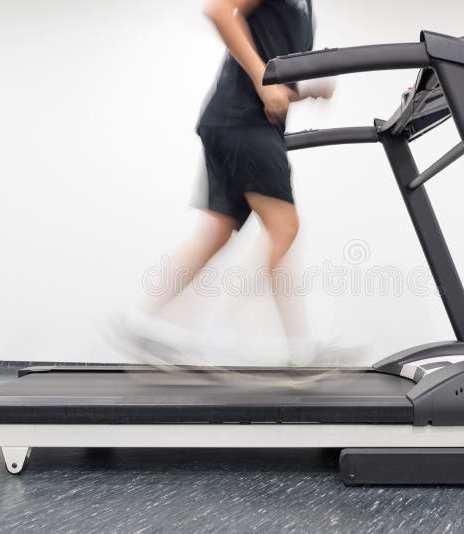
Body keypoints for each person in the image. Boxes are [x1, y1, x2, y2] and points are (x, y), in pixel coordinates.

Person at [115, 0, 337, 366]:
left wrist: (306, 92)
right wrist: (262, 78)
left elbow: (276, 88)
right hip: (242, 123)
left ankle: (140, 320)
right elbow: (219, 11)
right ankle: (227, 334)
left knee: (218, 229)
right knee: (284, 228)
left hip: (234, 120)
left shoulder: (305, 10)